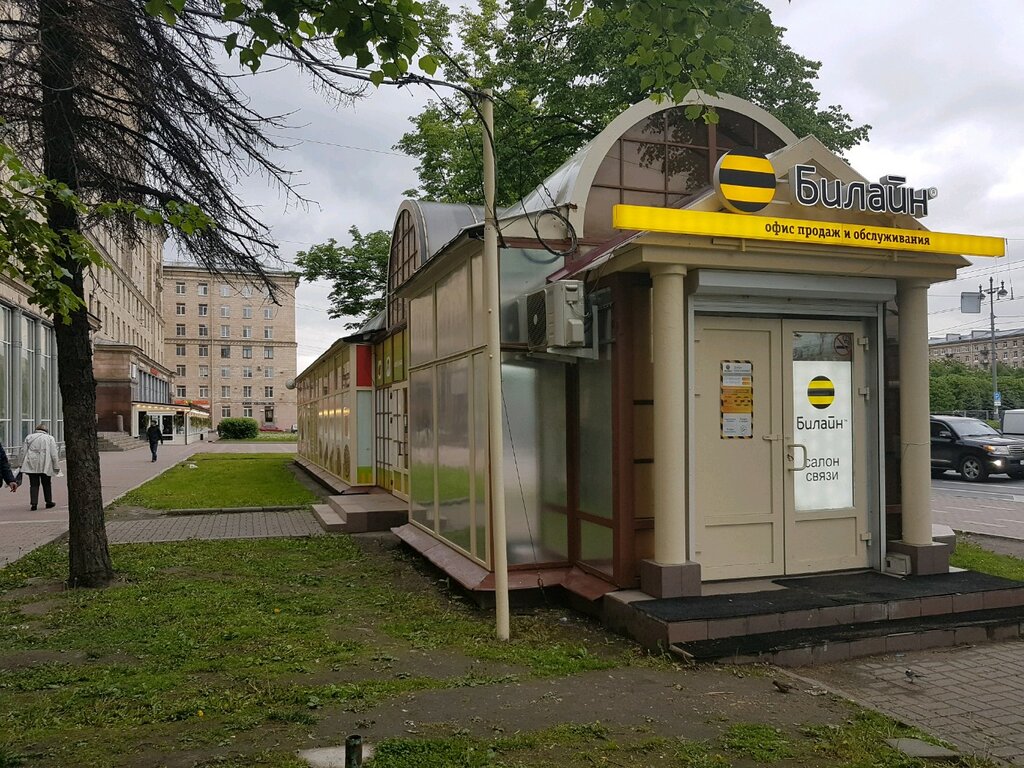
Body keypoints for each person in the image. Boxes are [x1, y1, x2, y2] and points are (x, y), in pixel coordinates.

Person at [20, 424, 59, 511]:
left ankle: (34, 504)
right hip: (45, 464)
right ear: (46, 430)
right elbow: (54, 453)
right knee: (47, 484)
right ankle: (48, 502)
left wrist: (21, 463)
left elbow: (23, 451)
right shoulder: (50, 438)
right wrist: (56, 465)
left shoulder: (29, 437)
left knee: (33, 484)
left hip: (31, 464)